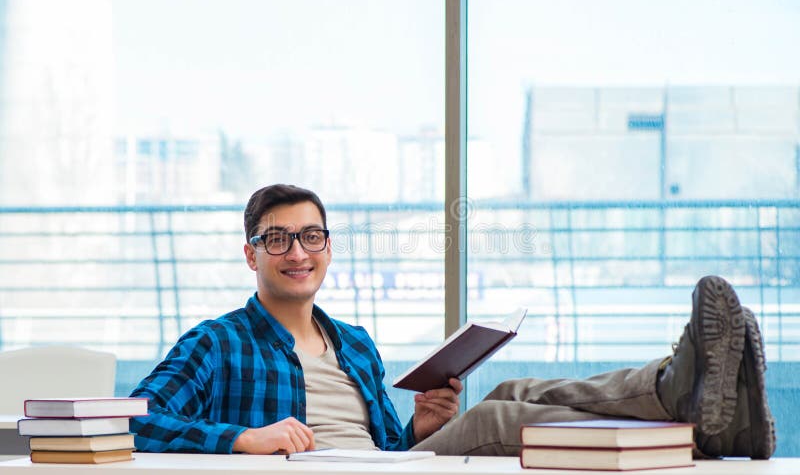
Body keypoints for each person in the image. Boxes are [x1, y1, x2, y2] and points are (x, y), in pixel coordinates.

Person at [129, 184, 775, 459]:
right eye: (278, 240)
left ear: (328, 245)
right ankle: (691, 405)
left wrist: (421, 425)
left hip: (382, 468)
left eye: (310, 235)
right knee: (496, 419)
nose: (297, 252)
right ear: (251, 253)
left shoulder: (352, 343)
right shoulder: (218, 343)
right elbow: (130, 419)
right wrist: (243, 440)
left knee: (505, 394)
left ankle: (683, 395)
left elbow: (388, 447)